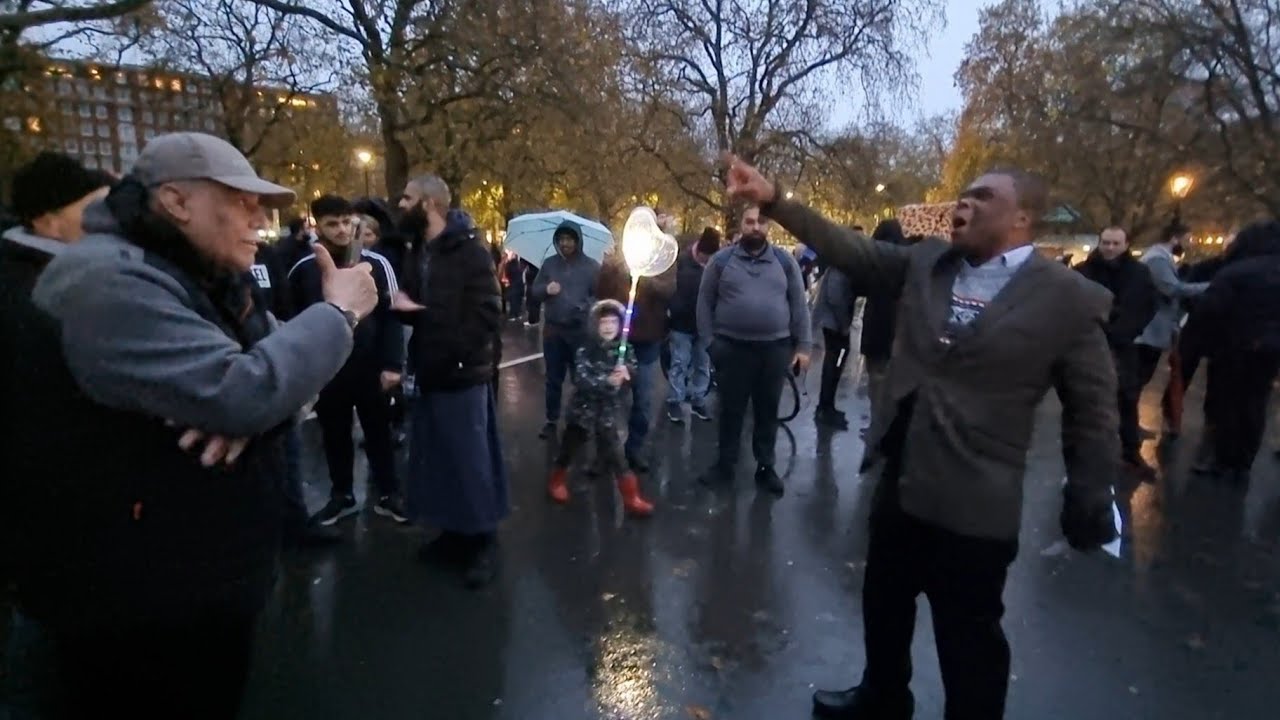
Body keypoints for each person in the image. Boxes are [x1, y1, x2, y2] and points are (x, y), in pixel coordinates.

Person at [722, 156, 1119, 719]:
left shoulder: (1066, 298)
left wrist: (1089, 492)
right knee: (884, 602)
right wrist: (777, 199)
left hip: (977, 503)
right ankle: (883, 698)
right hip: (903, 481)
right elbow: (850, 250)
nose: (964, 203)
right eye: (963, 194)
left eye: (982, 197)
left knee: (970, 638)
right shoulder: (927, 264)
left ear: (1022, 218)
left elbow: (1094, 409)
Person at [7, 132, 378, 717]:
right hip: (134, 612)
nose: (262, 218)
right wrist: (339, 312)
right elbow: (252, 387)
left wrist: (254, 403)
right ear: (177, 202)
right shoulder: (106, 279)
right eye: (242, 201)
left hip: (187, 590)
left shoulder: (193, 271)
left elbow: (271, 378)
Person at [0, 152, 112, 715]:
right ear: (46, 221)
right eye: (93, 209)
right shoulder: (36, 293)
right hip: (58, 521)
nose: (108, 220)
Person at [396, 174, 507, 589]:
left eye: (407, 198)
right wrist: (403, 308)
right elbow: (419, 302)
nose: (399, 204)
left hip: (462, 375)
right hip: (430, 371)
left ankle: (481, 541)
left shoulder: (471, 253)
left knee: (471, 462)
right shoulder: (418, 250)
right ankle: (451, 533)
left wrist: (444, 344)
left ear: (429, 204)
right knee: (440, 460)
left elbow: (487, 316)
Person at [289, 195, 408, 527]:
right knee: (334, 434)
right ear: (318, 226)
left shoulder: (377, 263)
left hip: (370, 365)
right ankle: (341, 494)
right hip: (328, 369)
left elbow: (392, 315)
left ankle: (388, 493)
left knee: (378, 432)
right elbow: (294, 320)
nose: (342, 230)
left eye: (346, 222)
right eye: (332, 223)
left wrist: (392, 364)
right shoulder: (303, 268)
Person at [696, 205, 812, 495]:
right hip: (732, 349)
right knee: (731, 411)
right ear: (741, 225)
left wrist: (804, 346)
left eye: (761, 222)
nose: (755, 227)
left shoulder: (785, 262)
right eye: (750, 222)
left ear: (769, 227)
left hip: (774, 350)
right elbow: (704, 304)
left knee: (767, 411)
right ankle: (725, 465)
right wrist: (711, 344)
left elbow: (799, 305)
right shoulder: (721, 261)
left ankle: (765, 467)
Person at [545, 299, 655, 516]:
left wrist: (628, 373)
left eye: (613, 322)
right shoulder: (586, 349)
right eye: (603, 322)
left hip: (607, 414)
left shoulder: (624, 349)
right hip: (582, 412)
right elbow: (582, 379)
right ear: (595, 324)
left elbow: (633, 370)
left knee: (617, 455)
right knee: (569, 449)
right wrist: (608, 382)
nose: (608, 327)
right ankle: (556, 481)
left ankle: (631, 497)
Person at [1191, 220, 1280, 484]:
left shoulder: (1235, 273)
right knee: (1256, 403)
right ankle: (1244, 462)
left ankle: (1223, 459)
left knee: (1226, 403)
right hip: (1270, 349)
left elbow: (1208, 311)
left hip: (1232, 346)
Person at [594, 210, 678, 472]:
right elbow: (601, 297)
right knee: (608, 399)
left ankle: (635, 449)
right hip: (617, 340)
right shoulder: (614, 264)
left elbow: (669, 291)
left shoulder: (661, 261)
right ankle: (604, 452)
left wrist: (644, 277)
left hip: (647, 342)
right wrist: (613, 270)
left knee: (642, 401)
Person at [1075, 227, 1158, 478]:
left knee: (1127, 400)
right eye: (1106, 242)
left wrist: (1122, 332)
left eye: (1115, 243)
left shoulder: (1139, 274)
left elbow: (1145, 307)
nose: (1110, 248)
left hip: (1122, 346)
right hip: (1088, 345)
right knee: (1085, 403)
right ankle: (1086, 456)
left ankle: (1129, 452)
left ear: (1125, 244)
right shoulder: (1082, 272)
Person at [1133, 221, 1208, 433]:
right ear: (1175, 238)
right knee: (1138, 379)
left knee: (1140, 379)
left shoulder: (1159, 257)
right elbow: (1171, 289)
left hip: (1153, 327)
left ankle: (1128, 424)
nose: (1189, 243)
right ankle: (1127, 426)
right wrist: (1208, 287)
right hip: (1150, 329)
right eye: (1187, 239)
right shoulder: (1157, 259)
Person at [530, 221, 601, 439]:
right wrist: (546, 289)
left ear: (577, 241)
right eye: (561, 239)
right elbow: (534, 291)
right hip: (553, 332)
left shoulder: (591, 267)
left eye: (569, 239)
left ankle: (580, 420)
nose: (565, 243)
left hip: (580, 333)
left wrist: (586, 307)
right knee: (553, 379)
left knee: (581, 379)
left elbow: (599, 296)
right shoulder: (549, 264)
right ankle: (551, 420)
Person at [858, 220, 911, 434]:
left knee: (876, 382)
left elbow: (859, 285)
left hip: (876, 330)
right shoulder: (907, 260)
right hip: (900, 331)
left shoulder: (874, 260)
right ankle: (892, 429)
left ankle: (877, 427)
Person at [665, 227, 721, 424]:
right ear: (700, 251)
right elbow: (670, 288)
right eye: (706, 256)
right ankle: (675, 401)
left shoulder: (715, 264)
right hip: (682, 323)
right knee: (679, 364)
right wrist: (673, 309)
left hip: (705, 326)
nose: (707, 261)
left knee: (703, 365)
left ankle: (698, 399)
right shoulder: (681, 261)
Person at [813, 237, 858, 431]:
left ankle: (827, 405)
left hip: (834, 323)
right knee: (834, 362)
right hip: (834, 324)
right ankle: (825, 407)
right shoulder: (840, 268)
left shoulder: (838, 265)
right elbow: (836, 298)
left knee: (835, 362)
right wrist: (844, 325)